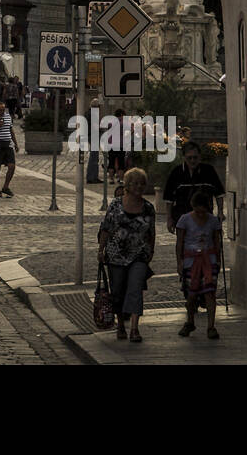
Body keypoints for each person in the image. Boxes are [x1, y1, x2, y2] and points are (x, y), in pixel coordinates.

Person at [98, 168, 157, 342]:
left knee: (135, 288)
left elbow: (151, 233)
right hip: (116, 254)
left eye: (142, 184)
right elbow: (106, 228)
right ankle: (121, 326)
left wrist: (150, 252)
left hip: (139, 255)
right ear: (127, 185)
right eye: (135, 183)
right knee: (117, 291)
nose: (139, 187)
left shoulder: (148, 208)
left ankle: (134, 328)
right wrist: (100, 250)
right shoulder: (116, 204)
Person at [176, 190, 223, 340]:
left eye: (204, 211)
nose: (201, 214)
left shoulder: (213, 221)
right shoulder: (184, 220)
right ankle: (190, 321)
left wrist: (218, 259)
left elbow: (217, 240)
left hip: (209, 261)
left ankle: (211, 326)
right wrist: (179, 262)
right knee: (191, 296)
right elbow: (180, 242)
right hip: (191, 262)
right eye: (198, 211)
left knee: (210, 293)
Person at [162, 141, 225, 233]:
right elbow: (169, 199)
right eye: (189, 158)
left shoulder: (208, 171)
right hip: (183, 219)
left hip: (205, 218)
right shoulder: (176, 172)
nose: (192, 161)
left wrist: (220, 211)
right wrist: (169, 219)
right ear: (184, 157)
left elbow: (219, 194)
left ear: (199, 156)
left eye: (195, 157)